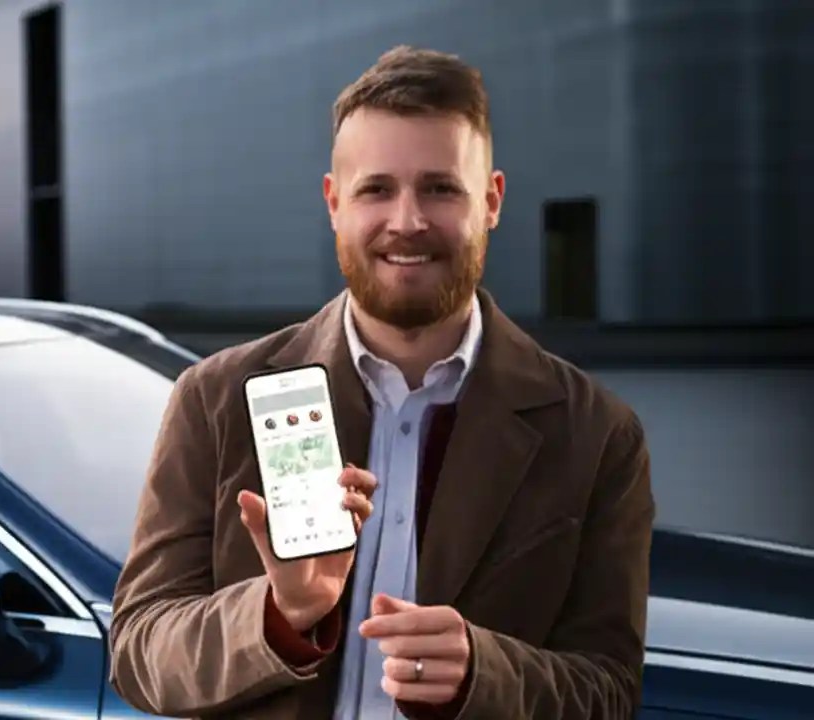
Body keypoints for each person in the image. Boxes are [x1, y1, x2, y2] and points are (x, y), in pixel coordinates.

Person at [109, 45, 654, 720]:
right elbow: (138, 651)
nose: (407, 221)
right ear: (334, 203)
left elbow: (608, 692)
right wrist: (279, 615)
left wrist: (483, 675)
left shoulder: (596, 434)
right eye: (376, 189)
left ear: (491, 201)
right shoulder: (215, 400)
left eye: (439, 188)